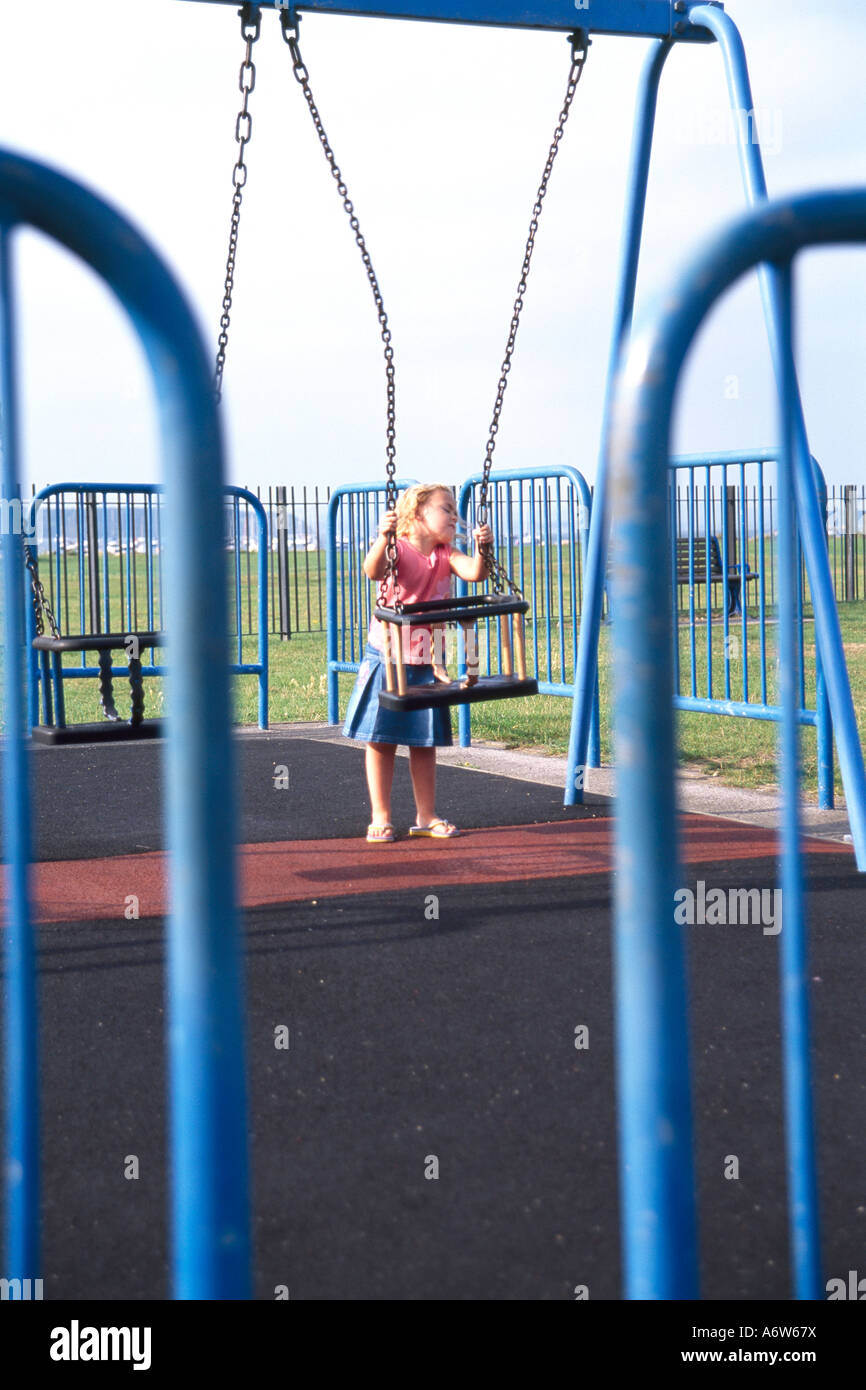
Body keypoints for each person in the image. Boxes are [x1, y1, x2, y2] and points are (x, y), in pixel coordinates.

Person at [342, 482, 493, 842]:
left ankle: (426, 815)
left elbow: (476, 573)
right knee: (381, 740)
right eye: (446, 509)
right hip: (389, 657)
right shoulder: (399, 548)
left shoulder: (446, 553)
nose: (454, 516)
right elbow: (373, 570)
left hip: (427, 661)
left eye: (455, 510)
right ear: (417, 514)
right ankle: (381, 814)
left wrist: (483, 549)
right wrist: (384, 537)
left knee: (423, 744)